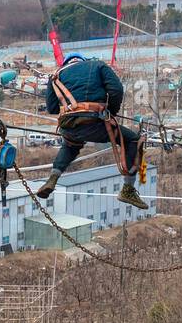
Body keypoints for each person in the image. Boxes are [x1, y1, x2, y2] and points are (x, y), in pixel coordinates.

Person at [36, 54, 149, 209]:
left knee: (70, 145)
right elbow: (116, 89)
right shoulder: (97, 65)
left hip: (69, 125)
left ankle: (53, 177)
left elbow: (52, 108)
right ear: (83, 61)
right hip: (94, 122)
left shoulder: (57, 75)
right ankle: (128, 189)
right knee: (132, 140)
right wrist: (111, 112)